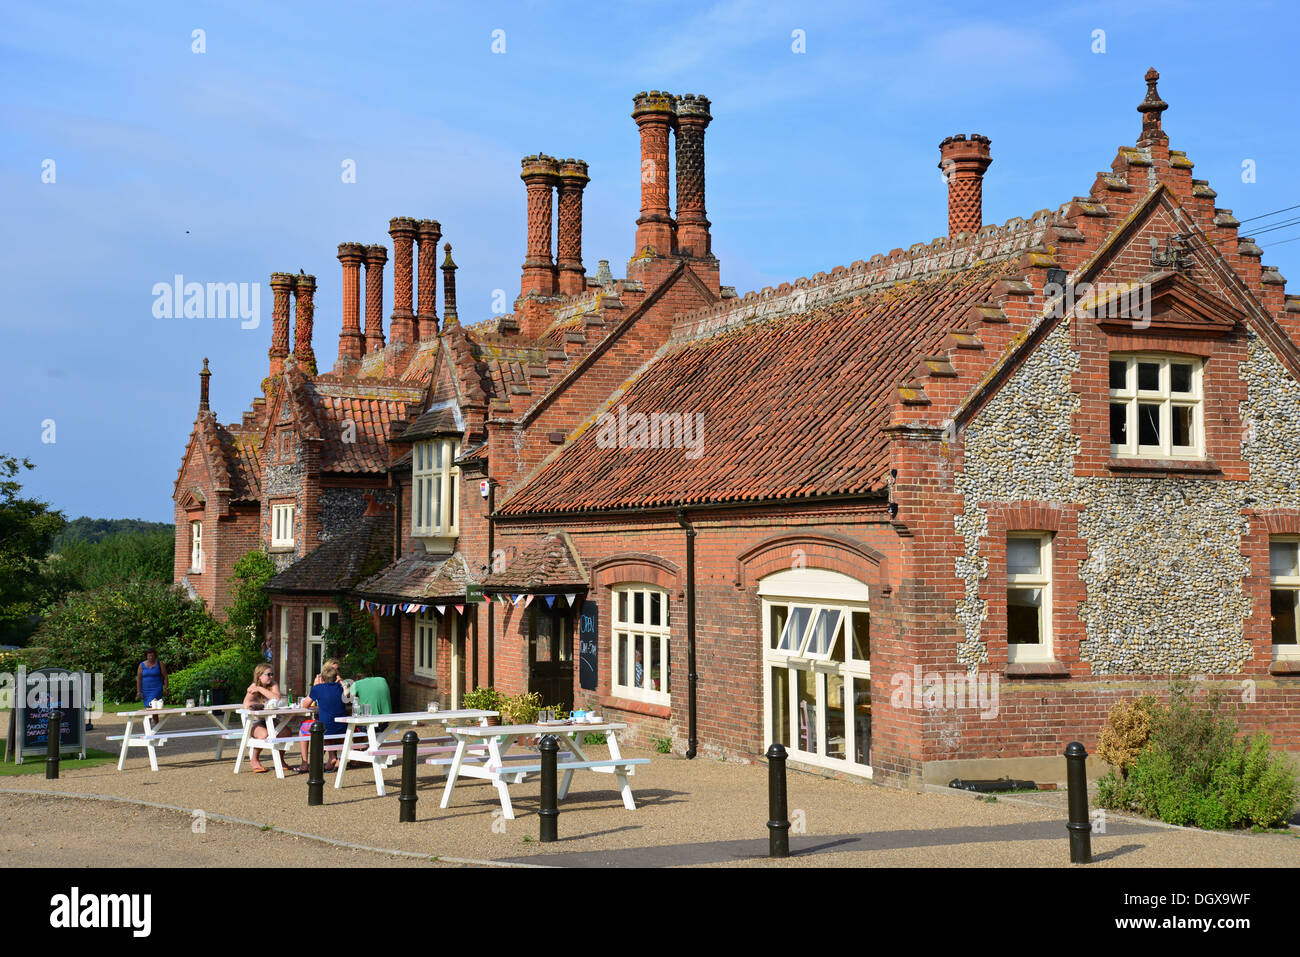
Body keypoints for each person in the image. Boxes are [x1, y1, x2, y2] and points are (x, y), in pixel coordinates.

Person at [299, 661, 347, 772]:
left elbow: (305, 704)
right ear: (336, 677)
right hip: (342, 728)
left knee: (303, 727)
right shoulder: (341, 688)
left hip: (325, 729)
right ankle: (334, 757)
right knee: (328, 723)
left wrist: (315, 687)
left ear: (323, 677)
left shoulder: (318, 688)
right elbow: (348, 699)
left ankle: (305, 763)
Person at [243, 663, 285, 773]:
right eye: (268, 674)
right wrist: (256, 705)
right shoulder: (253, 688)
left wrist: (260, 689)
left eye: (272, 674)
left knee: (286, 733)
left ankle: (280, 760)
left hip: (272, 720)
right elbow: (246, 704)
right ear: (259, 676)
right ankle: (254, 759)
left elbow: (277, 698)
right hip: (256, 721)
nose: (271, 677)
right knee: (265, 735)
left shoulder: (272, 684)